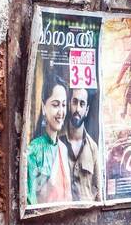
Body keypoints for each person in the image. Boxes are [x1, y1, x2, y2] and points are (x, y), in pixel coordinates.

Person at [26, 75, 72, 207]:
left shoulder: (63, 149)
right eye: (55, 105)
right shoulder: (33, 150)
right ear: (44, 107)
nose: (61, 111)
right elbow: (31, 201)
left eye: (63, 105)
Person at [64, 86, 101, 202]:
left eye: (82, 104)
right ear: (69, 104)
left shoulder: (93, 148)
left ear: (87, 110)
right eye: (74, 102)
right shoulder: (57, 142)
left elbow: (98, 192)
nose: (77, 109)